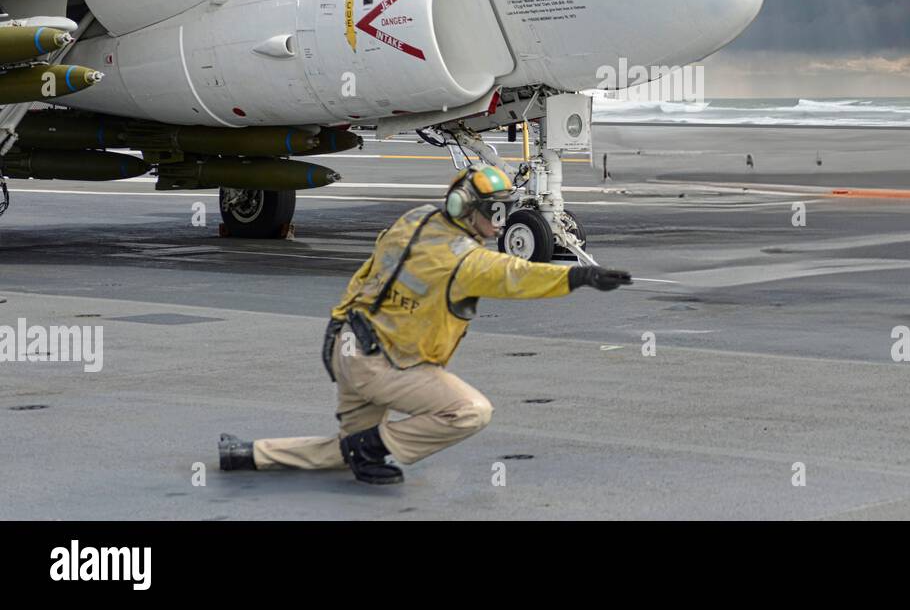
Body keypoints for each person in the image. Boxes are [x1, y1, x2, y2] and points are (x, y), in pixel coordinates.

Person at [217, 163, 631, 484]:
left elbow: (367, 274)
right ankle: (371, 446)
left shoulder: (413, 220)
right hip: (390, 366)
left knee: (351, 451)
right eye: (493, 211)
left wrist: (336, 324)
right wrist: (580, 276)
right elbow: (516, 275)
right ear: (466, 209)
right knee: (470, 411)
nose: (500, 222)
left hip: (347, 347)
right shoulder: (467, 259)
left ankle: (250, 453)